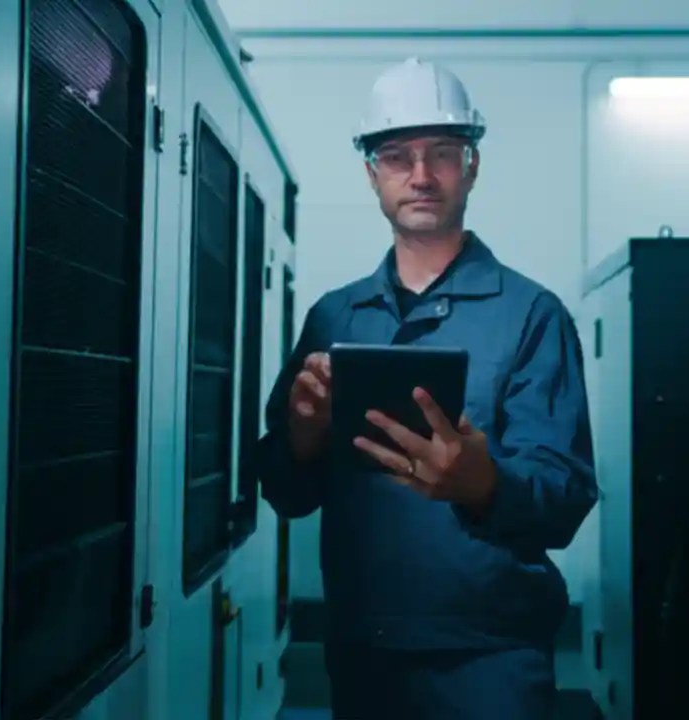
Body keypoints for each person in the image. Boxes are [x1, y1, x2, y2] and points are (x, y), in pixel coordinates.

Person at [256, 56, 599, 719]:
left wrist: (485, 484)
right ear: (371, 174)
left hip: (491, 660)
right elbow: (285, 493)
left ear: (472, 165)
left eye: (443, 152)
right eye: (396, 155)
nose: (420, 175)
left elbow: (565, 498)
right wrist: (301, 438)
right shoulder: (334, 318)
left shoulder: (531, 314)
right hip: (363, 651)